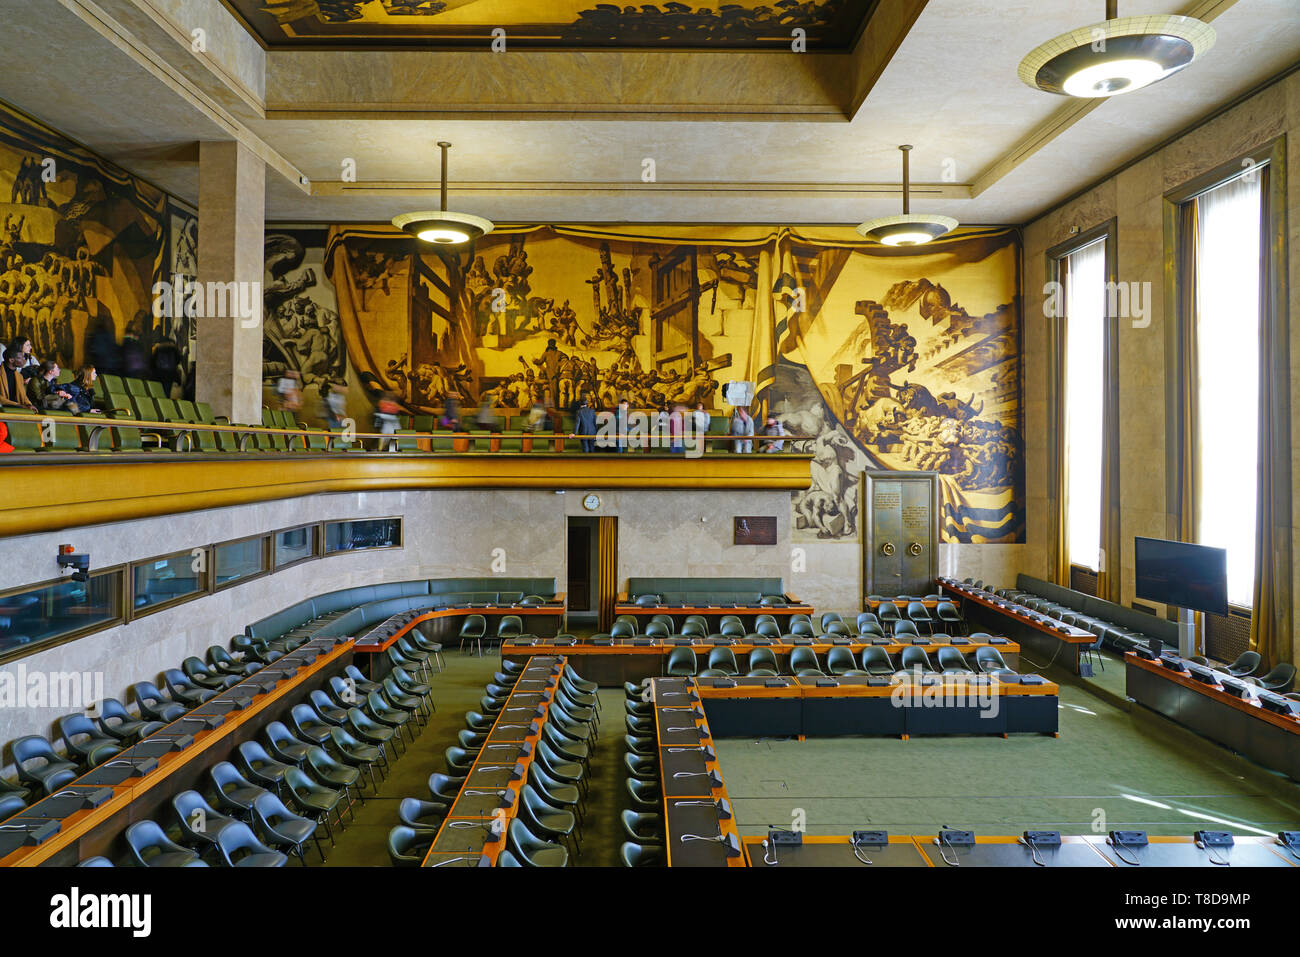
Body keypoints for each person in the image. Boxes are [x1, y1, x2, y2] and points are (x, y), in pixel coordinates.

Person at [0, 341, 36, 409]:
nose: (24, 360)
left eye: (23, 357)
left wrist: (29, 405)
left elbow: (24, 397)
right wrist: (18, 405)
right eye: (20, 358)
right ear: (11, 360)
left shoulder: (19, 376)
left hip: (17, 407)